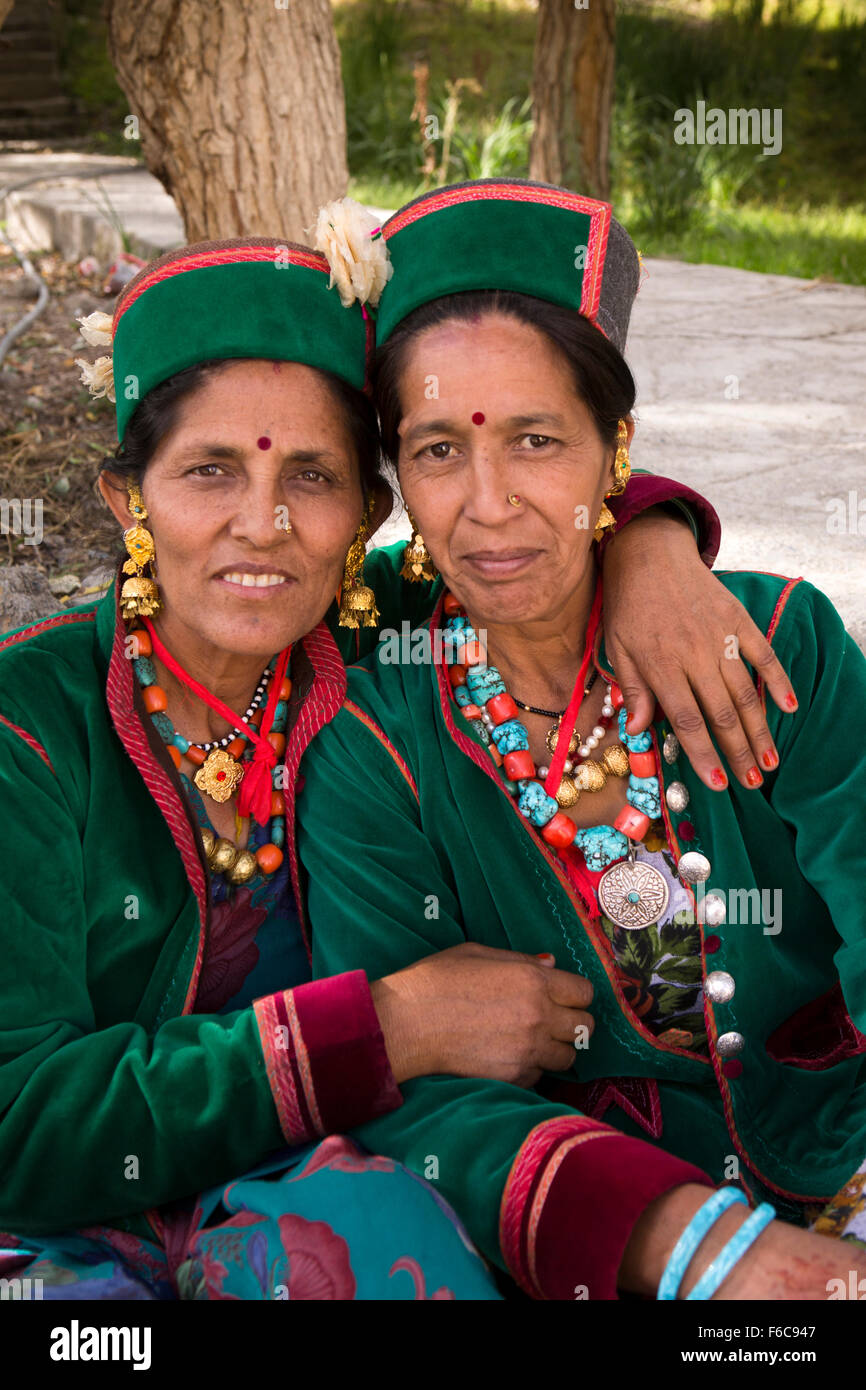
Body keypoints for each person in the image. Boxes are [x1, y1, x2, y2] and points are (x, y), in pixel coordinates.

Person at [0, 229, 767, 1301]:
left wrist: (652, 543)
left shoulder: (379, 634)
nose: (261, 526)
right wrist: (388, 1026)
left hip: (347, 1173)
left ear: (365, 516)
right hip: (78, 1223)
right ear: (128, 502)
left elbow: (518, 528)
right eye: (209, 470)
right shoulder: (28, 726)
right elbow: (20, 1119)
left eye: (309, 476)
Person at [297, 180, 866, 1301]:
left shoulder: (773, 640)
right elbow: (420, 1093)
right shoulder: (372, 737)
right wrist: (703, 1250)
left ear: (616, 450)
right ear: (395, 476)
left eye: (537, 439)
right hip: (605, 1223)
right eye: (436, 450)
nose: (489, 503)